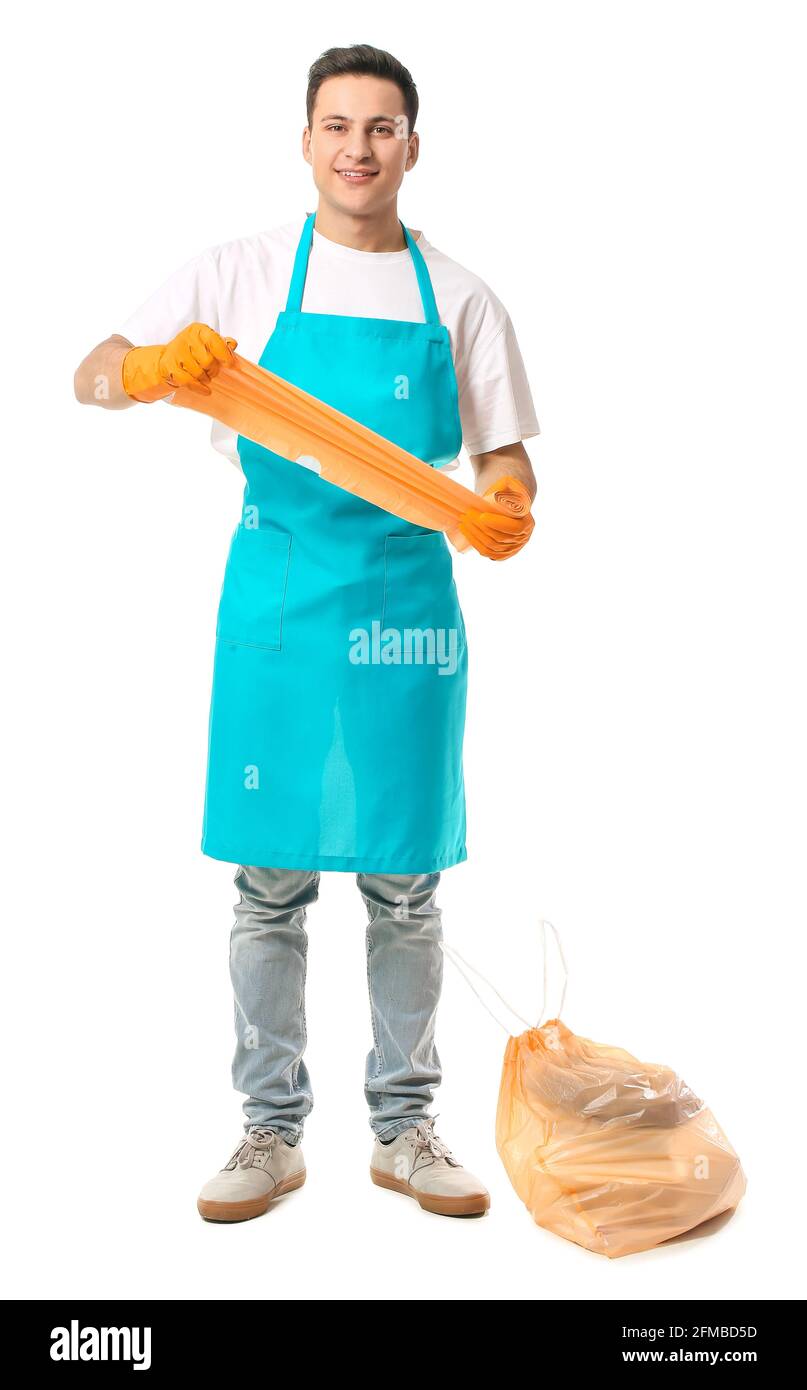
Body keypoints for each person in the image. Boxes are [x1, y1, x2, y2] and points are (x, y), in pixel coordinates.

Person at [74, 43, 539, 1224]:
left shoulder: (464, 296)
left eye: (381, 128)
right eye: (337, 125)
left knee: (405, 884)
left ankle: (404, 1128)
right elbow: (88, 373)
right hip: (278, 604)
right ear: (305, 141)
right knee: (269, 881)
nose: (358, 148)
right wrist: (151, 368)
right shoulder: (237, 274)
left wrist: (510, 504)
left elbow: (502, 456)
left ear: (412, 148)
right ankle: (268, 1131)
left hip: (405, 607)